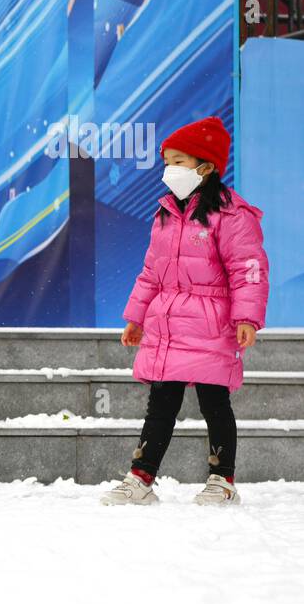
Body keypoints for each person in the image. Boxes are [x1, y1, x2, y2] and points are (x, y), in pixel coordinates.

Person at [102, 116, 269, 506]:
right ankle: (141, 479)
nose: (170, 170)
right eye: (168, 161)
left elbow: (249, 269)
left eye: (179, 161)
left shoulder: (232, 215)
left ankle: (222, 481)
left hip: (211, 324)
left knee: (214, 401)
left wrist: (247, 317)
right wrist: (137, 317)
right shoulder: (165, 214)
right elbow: (150, 272)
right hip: (167, 324)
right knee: (161, 401)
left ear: (206, 167)